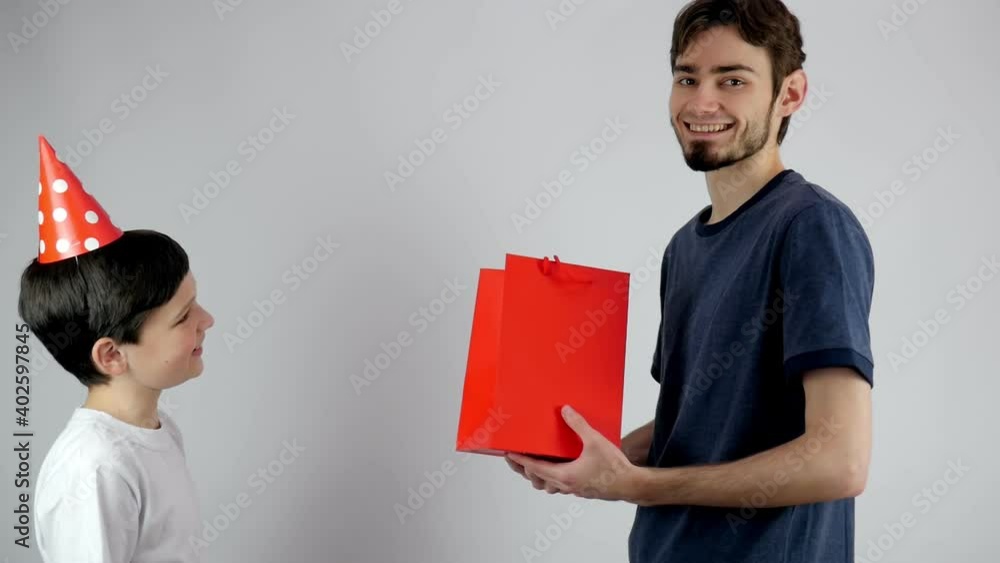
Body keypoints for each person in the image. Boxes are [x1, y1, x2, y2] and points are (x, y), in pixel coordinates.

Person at [506, 1, 875, 561]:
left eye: (733, 79)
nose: (702, 101)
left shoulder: (811, 227)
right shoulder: (683, 247)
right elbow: (693, 418)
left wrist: (636, 487)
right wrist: (594, 460)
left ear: (789, 94)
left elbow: (840, 461)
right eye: (687, 77)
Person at [21, 136, 215, 562]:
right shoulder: (94, 468)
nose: (207, 320)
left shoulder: (157, 430)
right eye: (183, 317)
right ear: (111, 355)